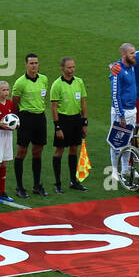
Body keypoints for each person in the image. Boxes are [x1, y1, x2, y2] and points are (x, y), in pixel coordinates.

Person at [11, 53, 50, 197]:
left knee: (38, 151)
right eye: (31, 63)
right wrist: (18, 120)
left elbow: (43, 97)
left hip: (40, 117)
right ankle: (19, 187)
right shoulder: (20, 82)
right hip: (25, 118)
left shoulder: (44, 79)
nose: (34, 66)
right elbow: (15, 102)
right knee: (21, 152)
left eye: (36, 63)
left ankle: (36, 185)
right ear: (26, 65)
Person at [49, 57, 88, 193]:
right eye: (68, 68)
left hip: (76, 120)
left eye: (73, 67)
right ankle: (57, 184)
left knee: (73, 149)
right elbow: (53, 108)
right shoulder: (57, 85)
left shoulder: (79, 82)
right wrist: (57, 127)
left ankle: (73, 180)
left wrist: (84, 122)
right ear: (62, 68)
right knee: (59, 149)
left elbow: (83, 103)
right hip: (63, 120)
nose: (71, 70)